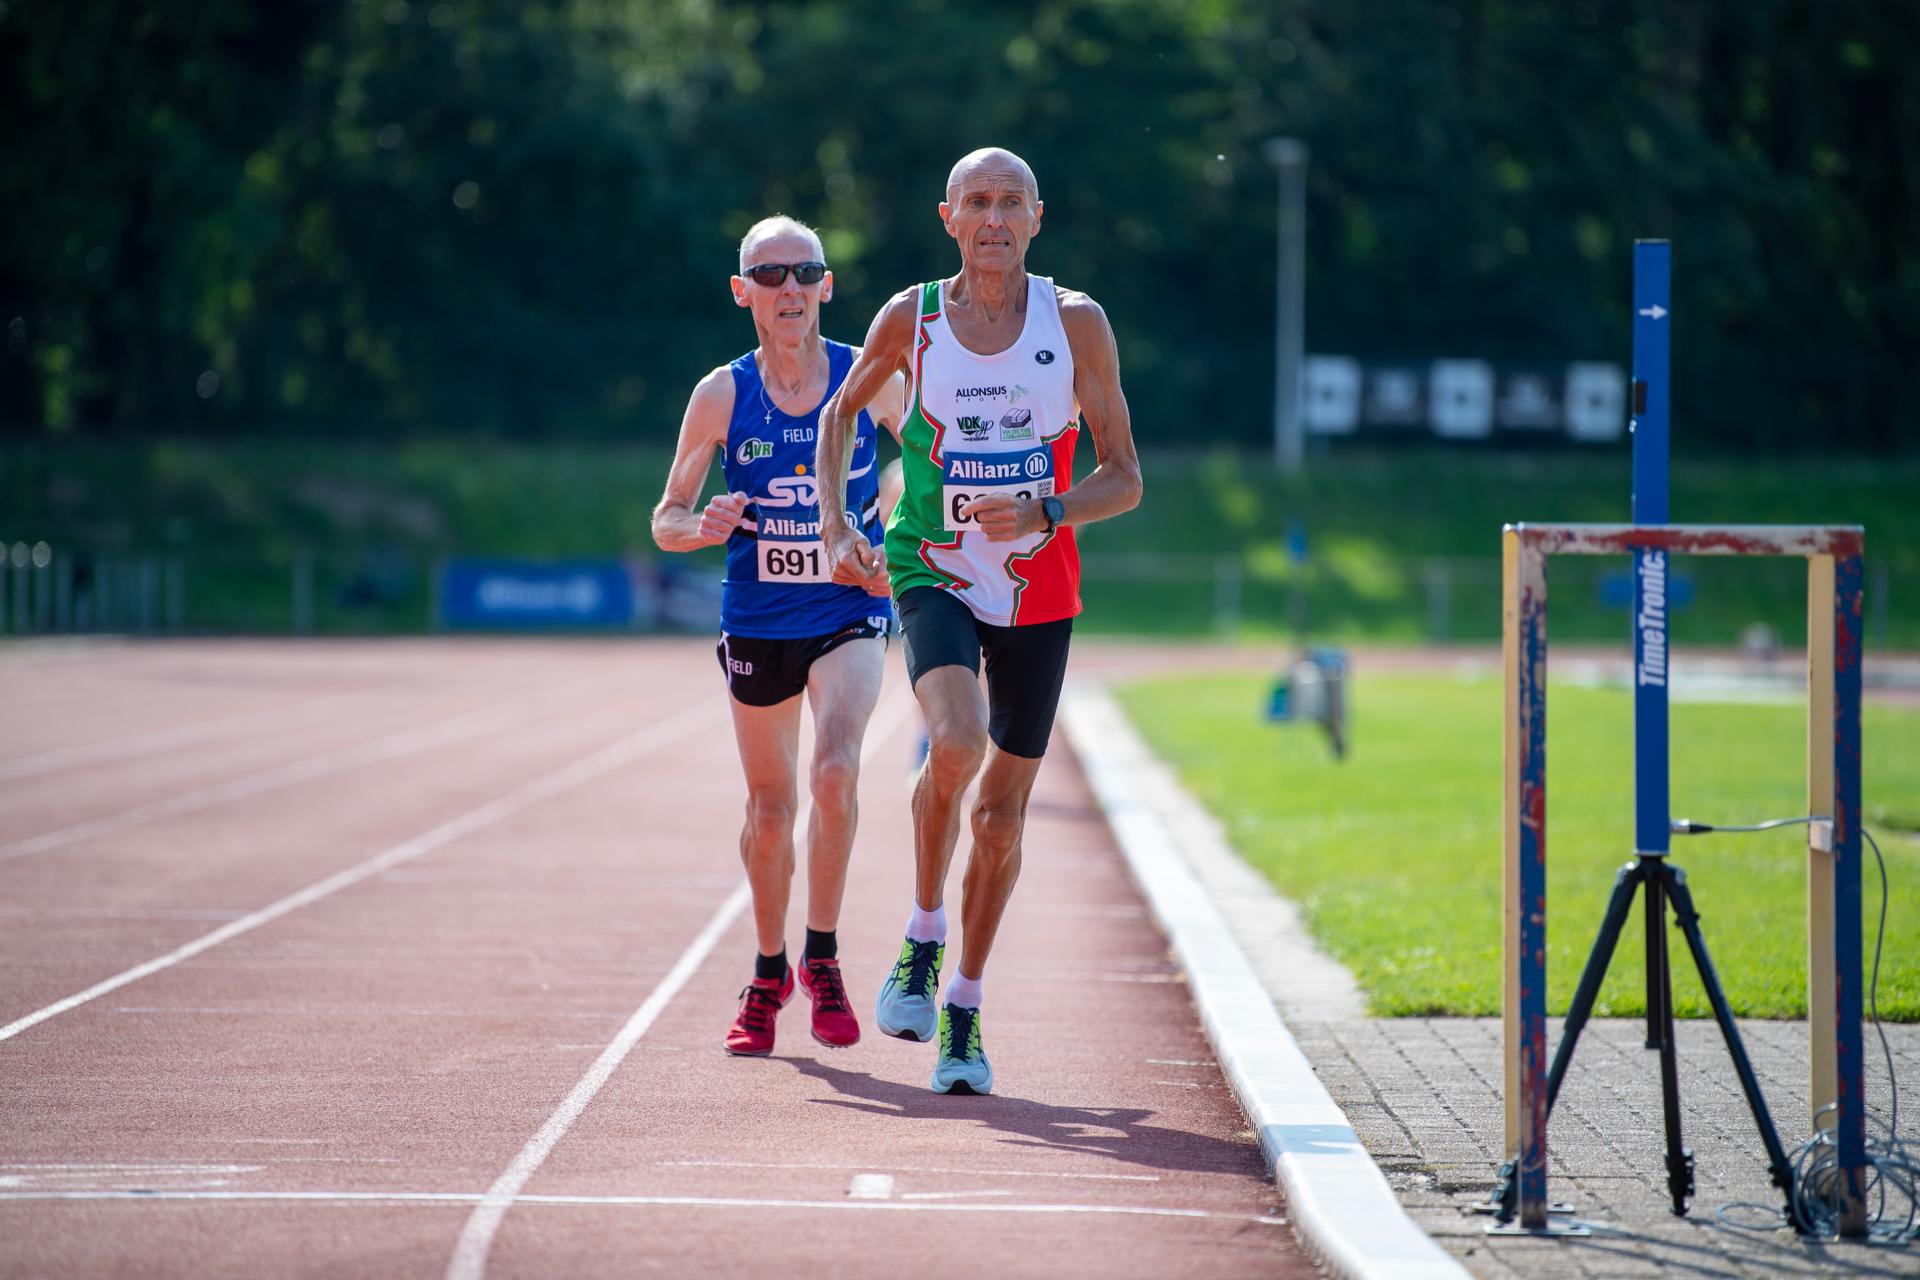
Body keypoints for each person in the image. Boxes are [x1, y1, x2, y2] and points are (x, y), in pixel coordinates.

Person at [815, 148, 1143, 1094]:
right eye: (977, 204)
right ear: (947, 218)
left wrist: (1048, 512)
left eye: (1010, 203)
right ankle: (921, 934)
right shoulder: (910, 318)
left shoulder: (1075, 323)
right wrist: (841, 523)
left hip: (1041, 586)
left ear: (1036, 218)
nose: (993, 218)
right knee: (953, 740)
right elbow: (842, 415)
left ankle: (963, 1005)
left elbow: (1124, 477)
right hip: (936, 566)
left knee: (1000, 817)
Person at [652, 215, 905, 1057]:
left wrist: (888, 530)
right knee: (769, 813)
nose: (789, 288)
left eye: (805, 272)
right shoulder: (721, 394)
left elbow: (924, 466)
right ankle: (769, 972)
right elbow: (666, 518)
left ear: (828, 284)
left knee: (835, 773)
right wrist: (705, 521)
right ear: (743, 294)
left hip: (848, 609)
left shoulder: (869, 378)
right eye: (770, 276)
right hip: (758, 614)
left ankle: (822, 956)